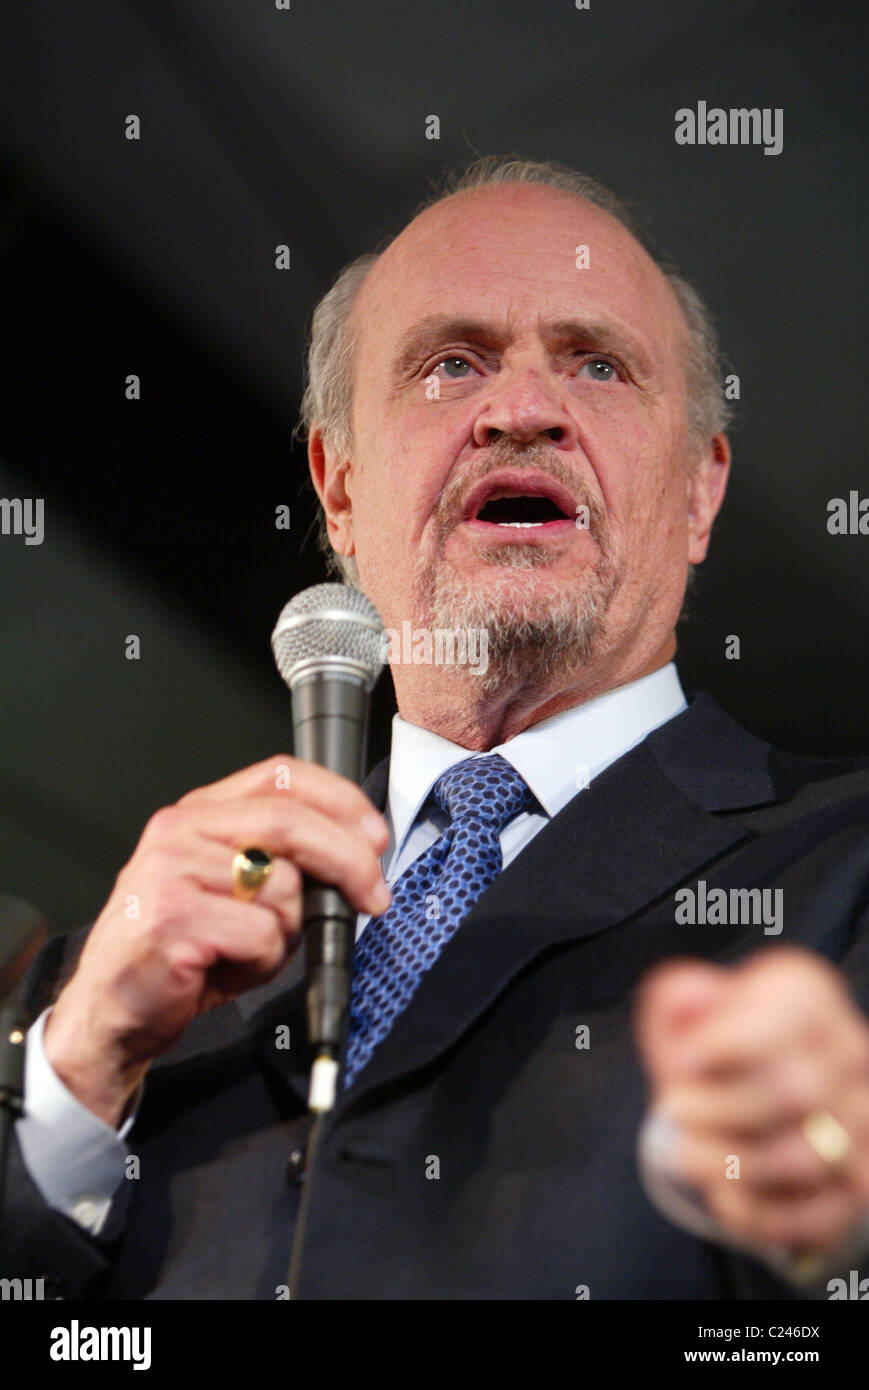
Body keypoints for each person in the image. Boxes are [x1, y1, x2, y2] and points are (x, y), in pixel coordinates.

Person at [4, 157, 868, 1300]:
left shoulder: (843, 872)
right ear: (339, 486)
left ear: (701, 492)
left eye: (597, 364)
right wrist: (75, 1077)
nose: (519, 411)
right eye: (449, 364)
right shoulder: (111, 976)